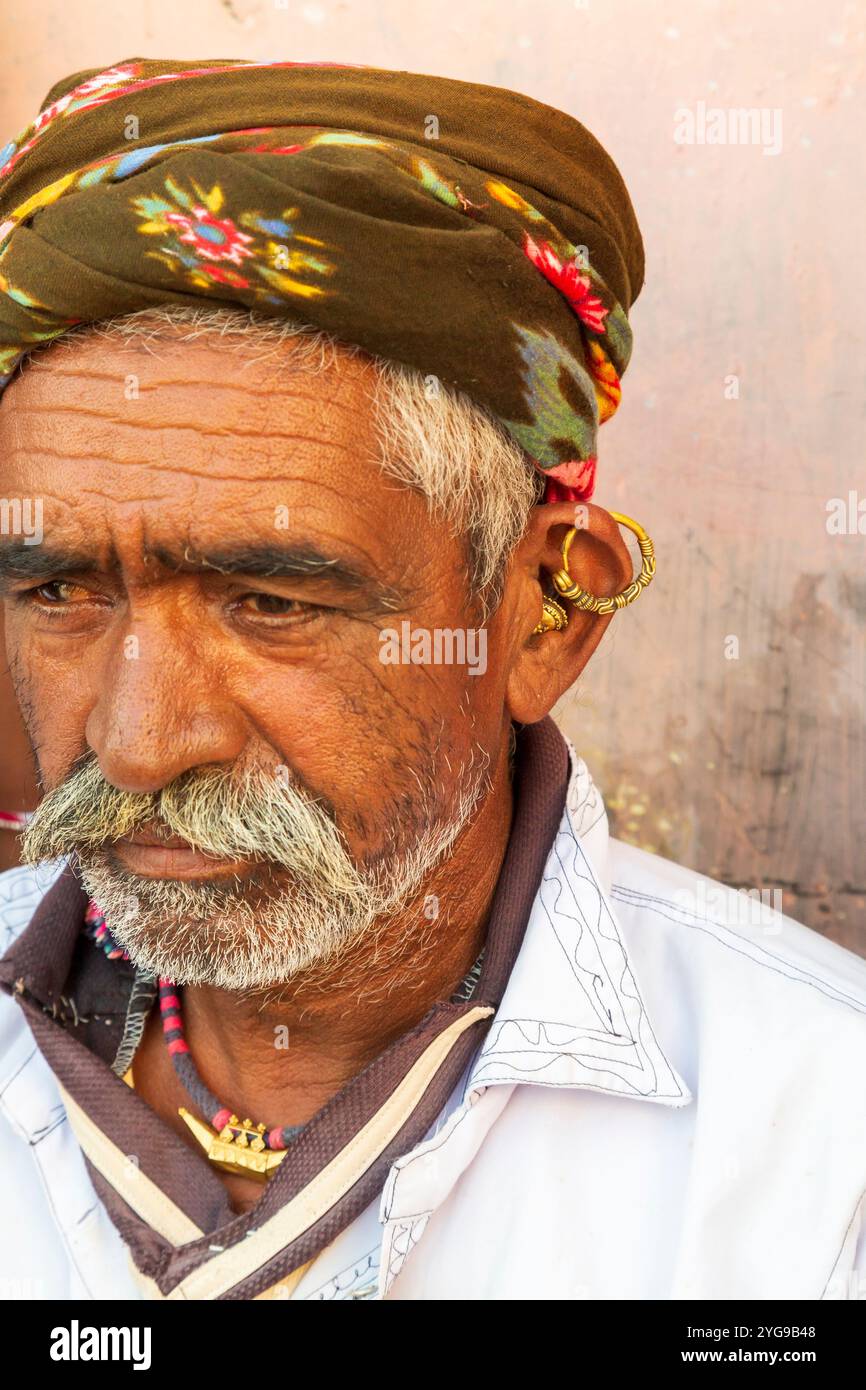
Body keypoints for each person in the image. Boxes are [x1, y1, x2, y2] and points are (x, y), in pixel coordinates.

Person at [0, 58, 864, 1303]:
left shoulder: (811, 1155)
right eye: (63, 593)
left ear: (546, 614)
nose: (138, 744)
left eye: (274, 602)